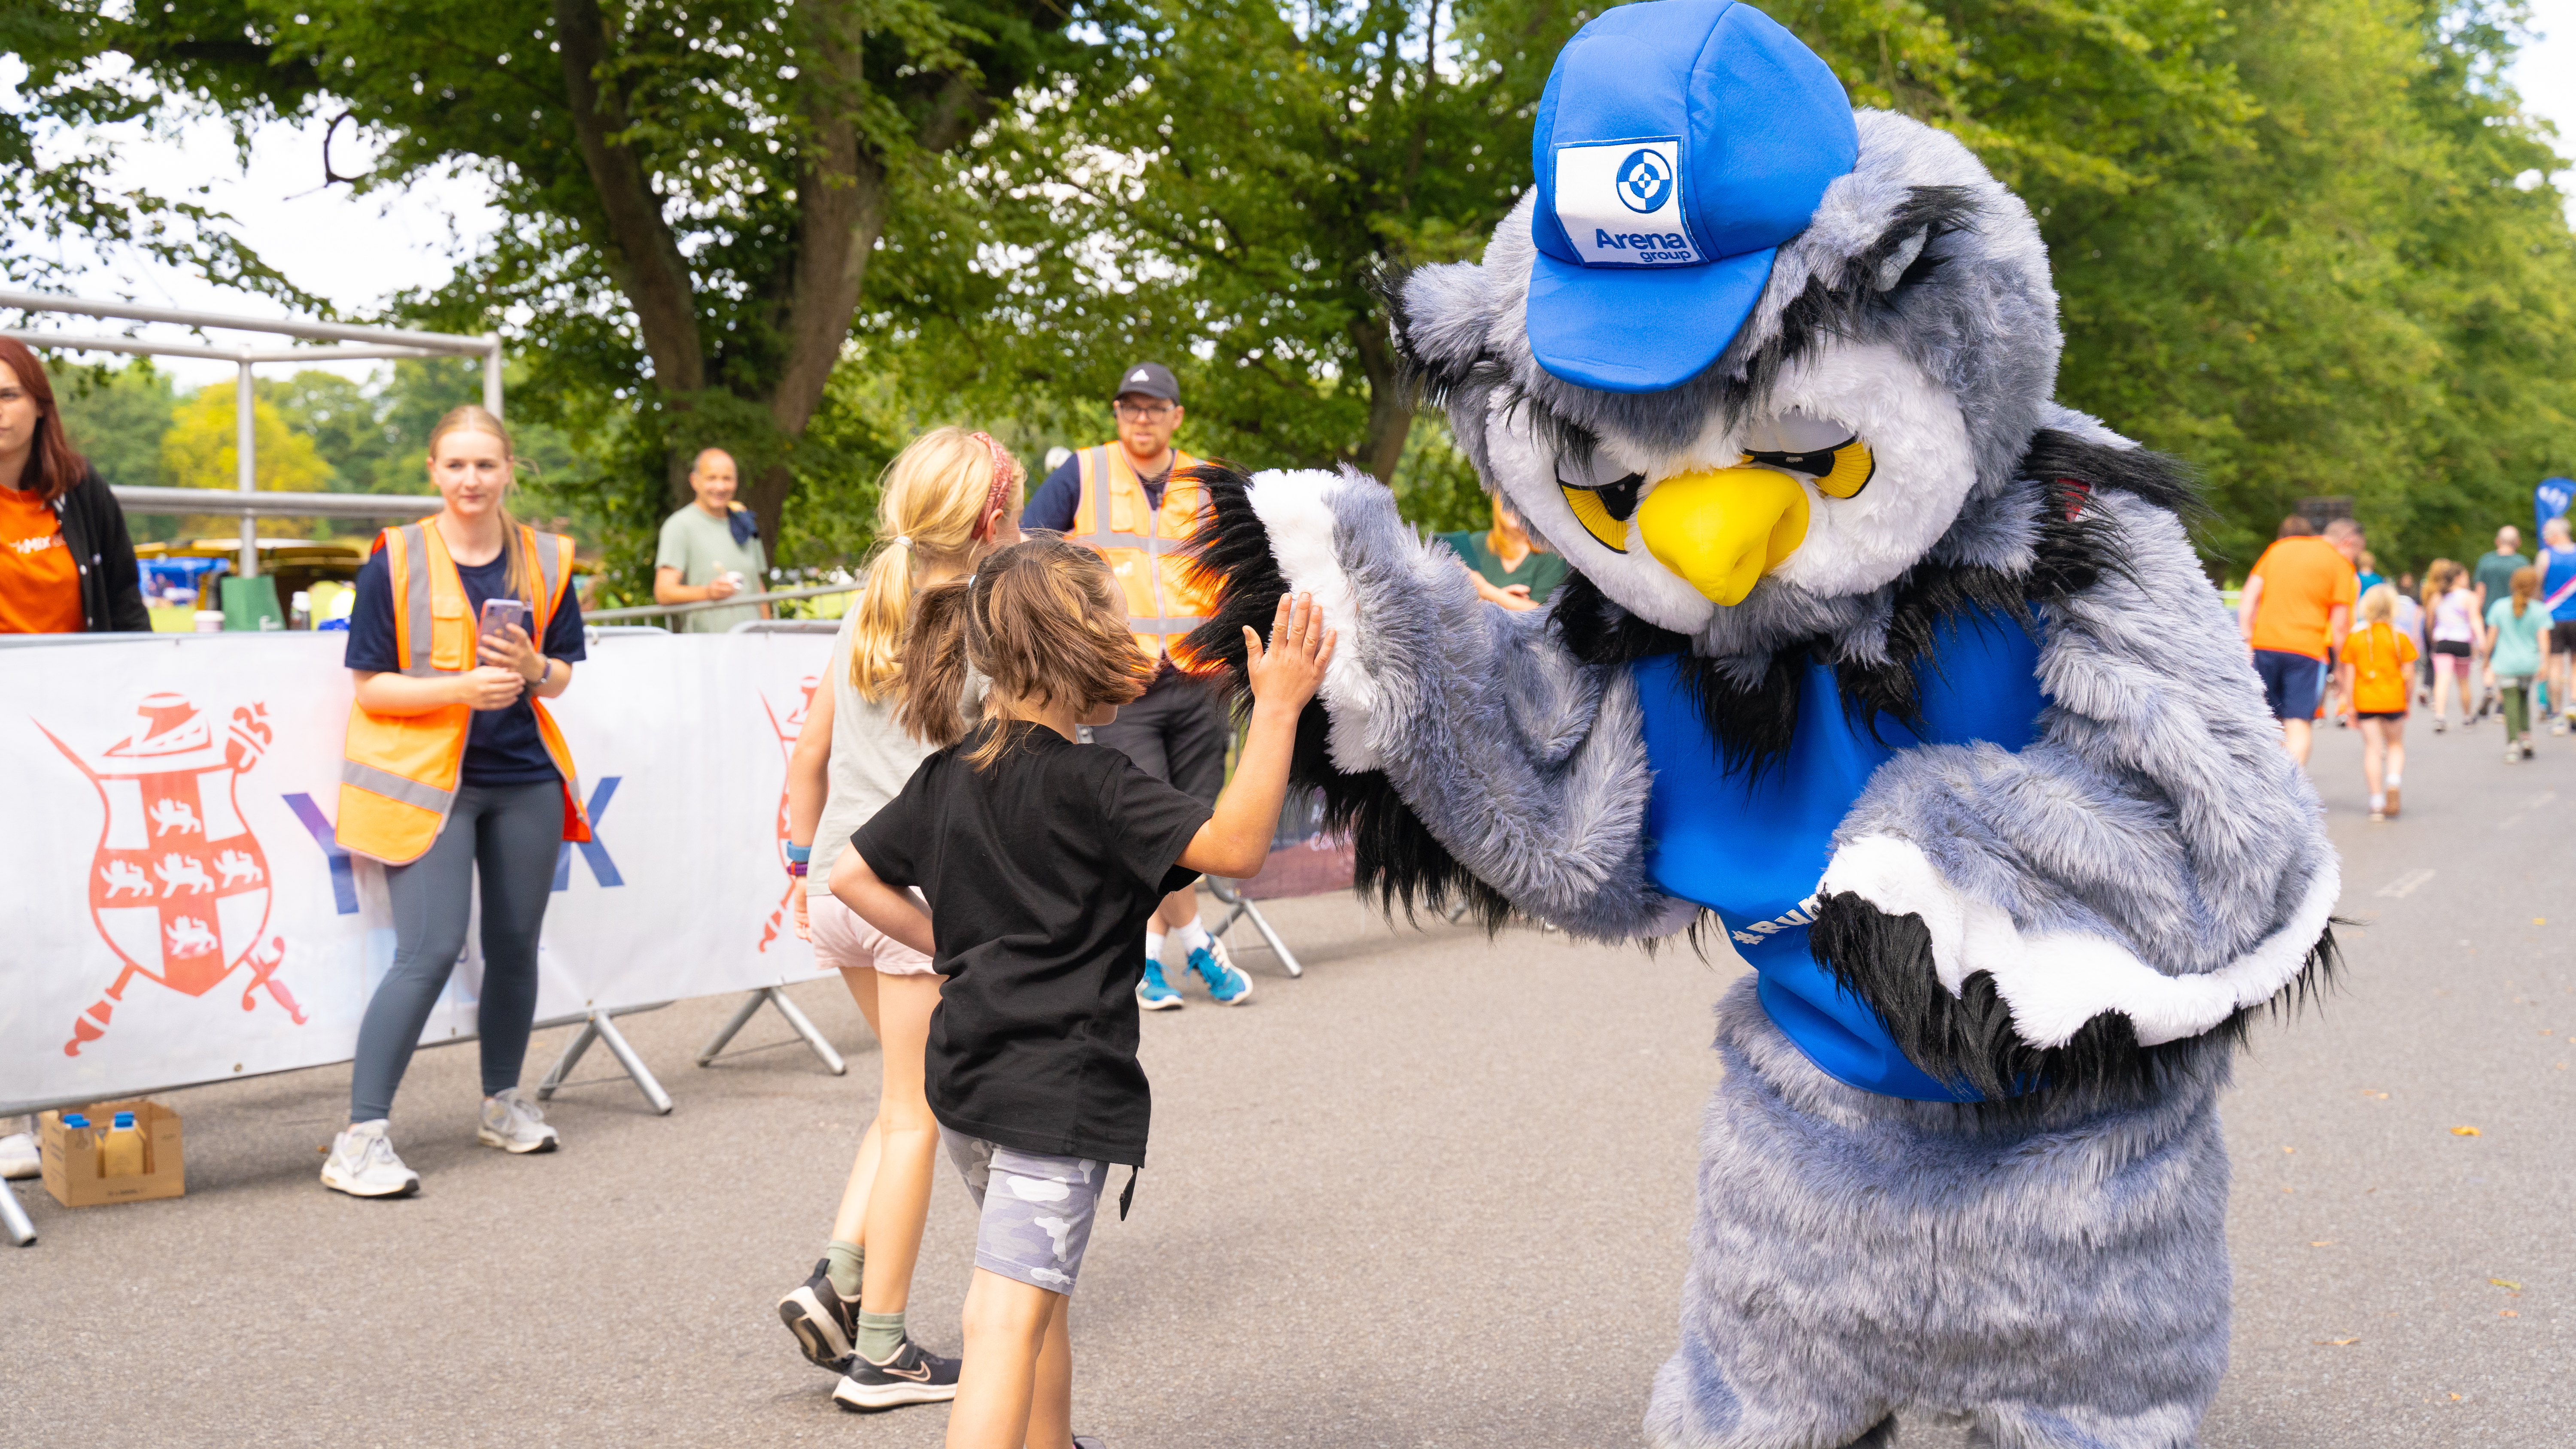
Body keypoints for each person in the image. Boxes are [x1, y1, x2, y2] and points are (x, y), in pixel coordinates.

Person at [831, 537, 1333, 1449]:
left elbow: (851, 876)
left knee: (1034, 1292)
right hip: (1054, 1097)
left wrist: (955, 944)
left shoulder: (949, 772)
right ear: (1076, 645)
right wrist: (1279, 708)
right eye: (1117, 618)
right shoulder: (1098, 784)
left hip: (972, 1087)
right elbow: (1238, 846)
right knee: (1003, 1319)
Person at [775, 427, 1022, 1410]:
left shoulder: (865, 607)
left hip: (836, 882)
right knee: (922, 1114)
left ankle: (837, 1277)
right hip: (914, 895)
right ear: (992, 518)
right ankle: (882, 1350)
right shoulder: (992, 622)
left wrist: (800, 865)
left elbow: (807, 756)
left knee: (897, 1100)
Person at [323, 406, 590, 1197]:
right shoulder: (395, 558)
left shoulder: (547, 557)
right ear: (433, 473)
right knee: (430, 950)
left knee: (515, 945)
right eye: (456, 466)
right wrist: (460, 689)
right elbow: (371, 686)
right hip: (428, 786)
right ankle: (360, 1137)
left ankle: (502, 1102)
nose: (471, 480)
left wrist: (534, 666)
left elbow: (565, 671)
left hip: (524, 777)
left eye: (486, 465)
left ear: (510, 470)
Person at [1024, 362, 1251, 1009]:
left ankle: (1156, 955)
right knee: (1142, 827)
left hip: (1201, 681)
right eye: (1130, 408)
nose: (1141, 418)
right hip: (1119, 686)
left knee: (1192, 829)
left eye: (1154, 408)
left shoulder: (1207, 480)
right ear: (1117, 414)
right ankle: (1185, 950)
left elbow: (1245, 567)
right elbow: (1028, 554)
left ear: (1176, 416)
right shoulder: (1082, 472)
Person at [0, 338, 148, 635]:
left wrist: (142, 672)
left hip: (79, 673)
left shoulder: (81, 485)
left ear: (41, 405)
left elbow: (124, 597)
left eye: (8, 396)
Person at [2238, 515, 2359, 766]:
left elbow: (2249, 597)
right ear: (2349, 543)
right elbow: (2339, 627)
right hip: (2306, 652)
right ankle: (2292, 792)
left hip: (2265, 645)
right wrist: (2341, 667)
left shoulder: (2279, 549)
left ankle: (2271, 786)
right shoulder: (2340, 565)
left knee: (2270, 721)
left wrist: (2246, 639)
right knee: (2297, 723)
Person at [653, 447, 770, 633]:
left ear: (736, 482)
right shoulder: (679, 526)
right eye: (711, 478)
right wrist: (708, 593)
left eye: (727, 479)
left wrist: (769, 635)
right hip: (706, 649)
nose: (720, 487)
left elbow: (758, 587)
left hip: (752, 645)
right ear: (694, 481)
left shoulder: (745, 523)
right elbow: (664, 592)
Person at [2340, 584, 2416, 821]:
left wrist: (2350, 704)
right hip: (2393, 699)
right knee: (2395, 745)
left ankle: (2376, 802)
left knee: (2373, 750)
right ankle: (2393, 783)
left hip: (2365, 701)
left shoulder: (2356, 637)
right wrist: (2407, 701)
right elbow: (2410, 674)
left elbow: (2350, 675)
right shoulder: (2400, 637)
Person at [1438, 497, 1569, 611]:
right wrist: (1505, 599)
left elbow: (1543, 616)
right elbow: (1449, 605)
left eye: (1522, 499)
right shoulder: (1474, 544)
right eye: (1509, 497)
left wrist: (1484, 590)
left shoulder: (1552, 556)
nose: (1515, 506)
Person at [2485, 564, 2553, 762]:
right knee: (2524, 698)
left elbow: (2491, 638)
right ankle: (2527, 738)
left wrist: (2486, 659)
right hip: (2529, 664)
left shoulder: (2499, 607)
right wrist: (2545, 664)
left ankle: (2513, 743)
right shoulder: (2540, 610)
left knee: (2511, 702)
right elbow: (2544, 641)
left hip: (2506, 664)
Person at [2424, 561, 2480, 732]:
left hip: (2443, 642)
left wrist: (2432, 638)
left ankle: (2440, 717)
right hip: (2463, 642)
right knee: (2463, 682)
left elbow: (2429, 622)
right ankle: (2467, 717)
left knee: (2442, 680)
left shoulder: (2437, 597)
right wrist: (2480, 641)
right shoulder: (2469, 597)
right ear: (2459, 578)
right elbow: (2475, 620)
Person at [2538, 517, 2576, 734]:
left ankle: (2557, 715)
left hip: (2552, 617)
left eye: (2547, 535)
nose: (2545, 539)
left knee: (2555, 666)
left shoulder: (2545, 556)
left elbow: (2537, 585)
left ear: (2557, 534)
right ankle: (2573, 704)